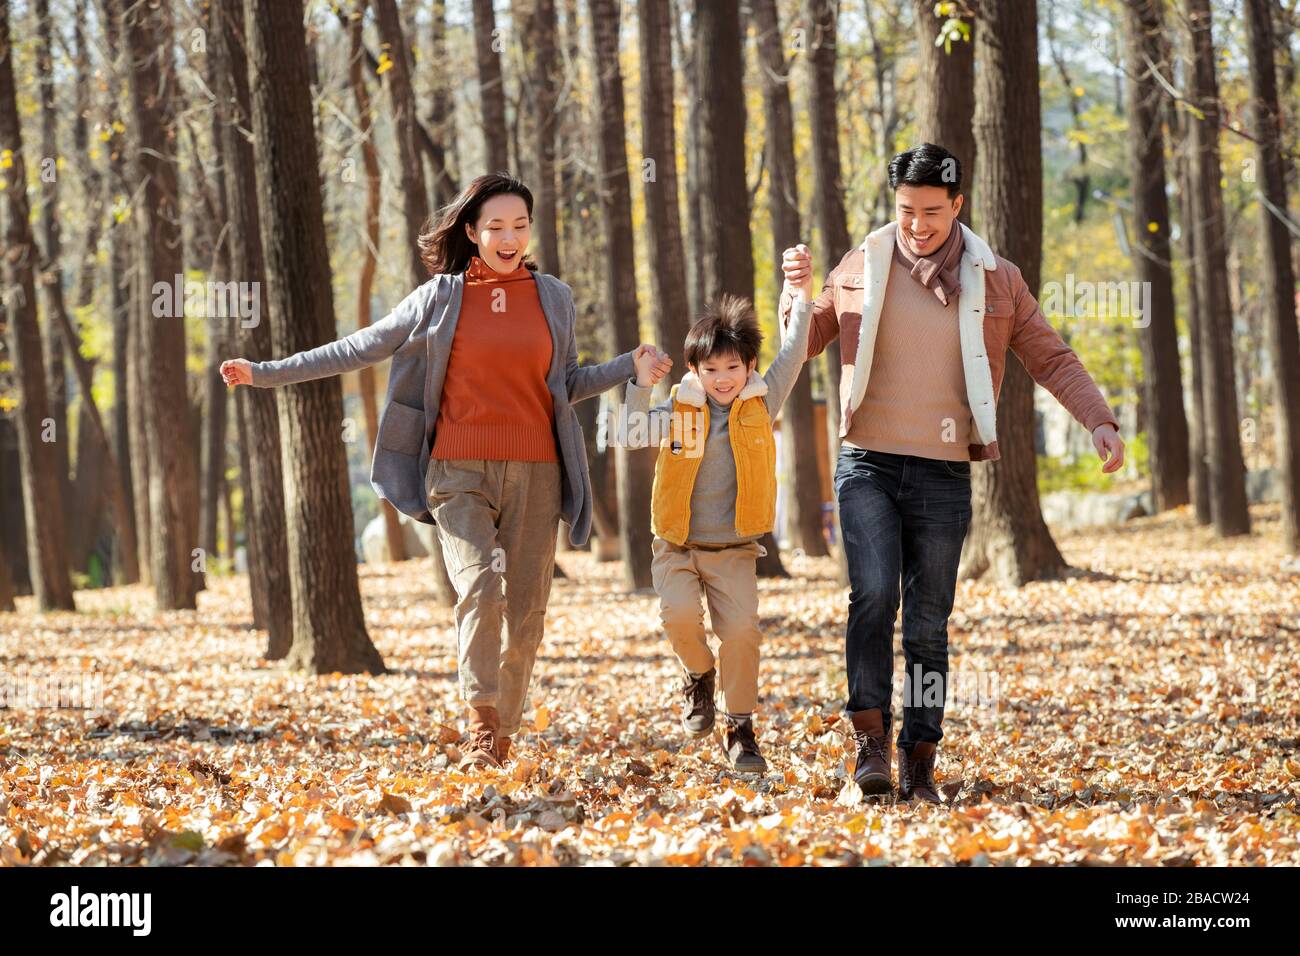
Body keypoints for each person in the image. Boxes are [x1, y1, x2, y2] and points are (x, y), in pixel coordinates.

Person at [221, 173, 670, 771]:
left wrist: (627, 368)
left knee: (529, 611)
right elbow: (362, 346)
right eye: (495, 227)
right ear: (472, 232)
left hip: (539, 471)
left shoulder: (553, 297)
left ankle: (503, 734)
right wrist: (265, 371)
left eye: (519, 225)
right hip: (456, 470)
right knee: (482, 585)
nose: (509, 238)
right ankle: (482, 724)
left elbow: (565, 385)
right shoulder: (441, 297)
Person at [778, 144, 1125, 802]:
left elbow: (1051, 355)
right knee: (873, 595)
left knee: (930, 622)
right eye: (906, 211)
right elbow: (807, 335)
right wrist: (793, 294)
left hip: (942, 472)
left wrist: (1098, 419)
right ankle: (869, 746)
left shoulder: (996, 279)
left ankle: (920, 756)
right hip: (867, 463)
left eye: (932, 212)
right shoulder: (863, 262)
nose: (917, 225)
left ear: (958, 205)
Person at [614, 265, 814, 773]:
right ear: (694, 370)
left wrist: (802, 297)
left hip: (734, 550)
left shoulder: (761, 404)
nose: (723, 380)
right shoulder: (679, 410)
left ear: (749, 366)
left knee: (743, 633)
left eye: (733, 368)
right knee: (678, 618)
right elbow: (632, 432)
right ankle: (699, 676)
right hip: (677, 545)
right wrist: (639, 384)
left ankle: (741, 729)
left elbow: (792, 353)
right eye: (711, 371)